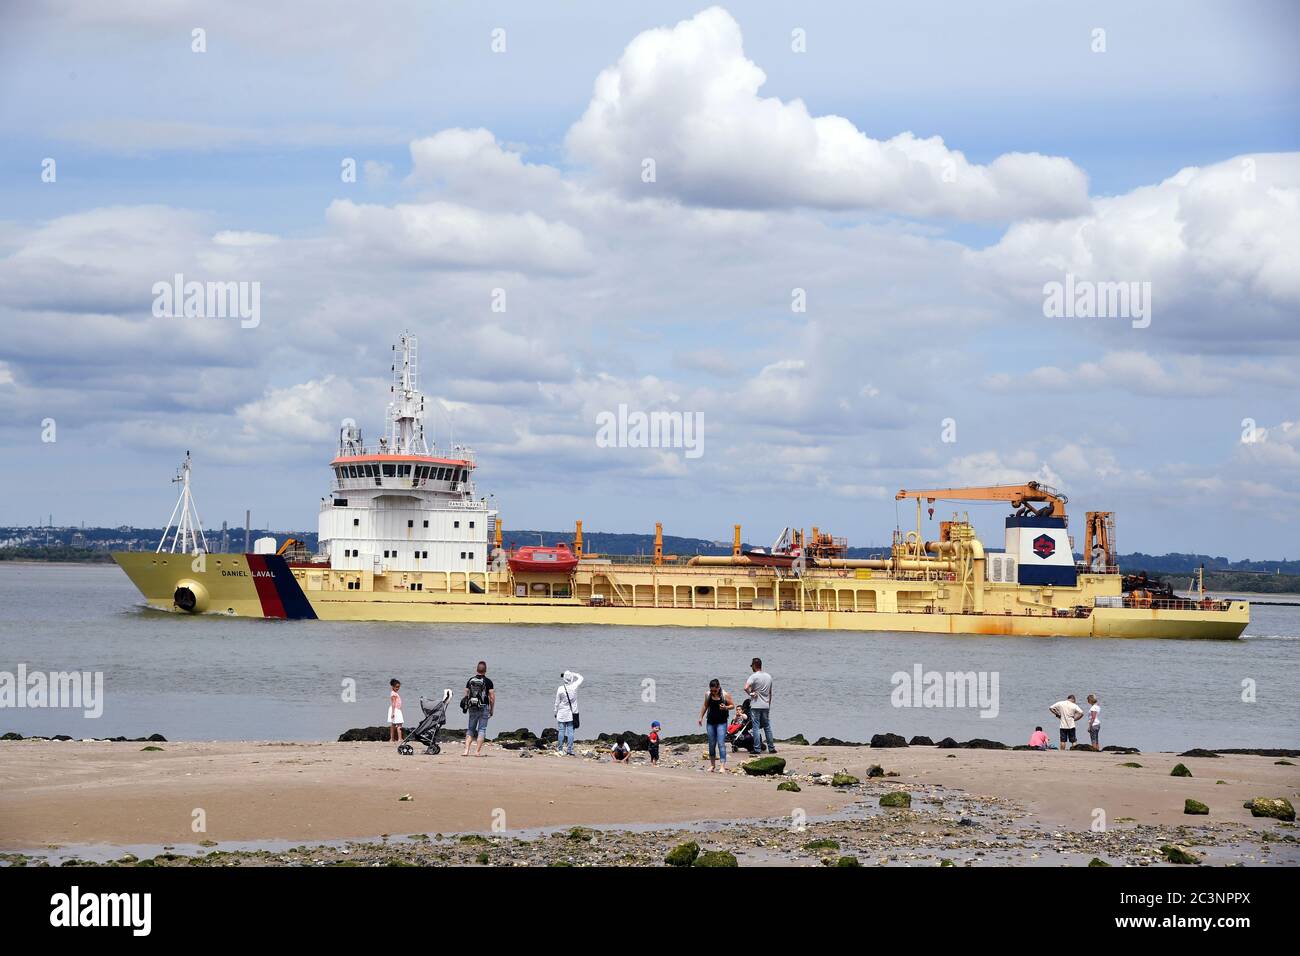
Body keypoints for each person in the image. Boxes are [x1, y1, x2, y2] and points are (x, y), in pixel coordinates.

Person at [697, 678, 735, 773]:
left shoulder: (725, 695)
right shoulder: (708, 695)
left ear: (719, 687)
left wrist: (725, 707)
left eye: (715, 690)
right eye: (712, 690)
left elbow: (732, 705)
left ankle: (722, 766)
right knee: (711, 744)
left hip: (722, 723)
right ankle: (712, 765)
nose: (713, 692)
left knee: (721, 743)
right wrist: (701, 717)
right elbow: (705, 706)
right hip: (710, 722)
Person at [461, 661, 495, 757]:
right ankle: (477, 752)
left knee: (471, 729)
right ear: (485, 670)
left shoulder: (470, 680)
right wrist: (492, 709)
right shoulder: (488, 681)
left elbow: (466, 693)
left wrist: (467, 705)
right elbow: (492, 697)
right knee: (482, 729)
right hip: (484, 707)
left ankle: (466, 751)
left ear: (476, 670)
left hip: (472, 707)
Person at [743, 657, 776, 754]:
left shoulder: (754, 676)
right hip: (766, 705)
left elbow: (745, 687)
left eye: (751, 666)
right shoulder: (769, 676)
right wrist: (768, 705)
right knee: (767, 726)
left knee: (756, 727)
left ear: (754, 665)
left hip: (756, 705)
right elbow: (770, 693)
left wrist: (751, 694)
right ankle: (771, 748)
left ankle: (757, 749)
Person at [553, 670, 583, 756]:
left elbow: (557, 702)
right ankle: (569, 749)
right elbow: (581, 678)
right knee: (571, 732)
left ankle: (560, 749)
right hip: (571, 714)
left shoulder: (560, 689)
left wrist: (555, 711)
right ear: (571, 678)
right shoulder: (574, 686)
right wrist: (574, 674)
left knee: (561, 731)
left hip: (561, 713)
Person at [388, 678, 404, 743]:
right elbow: (393, 703)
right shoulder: (394, 694)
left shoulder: (394, 693)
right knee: (399, 724)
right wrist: (393, 712)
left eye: (398, 687)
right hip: (395, 710)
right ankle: (399, 738)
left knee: (393, 725)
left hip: (395, 709)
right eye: (396, 687)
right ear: (393, 687)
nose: (398, 688)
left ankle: (392, 738)